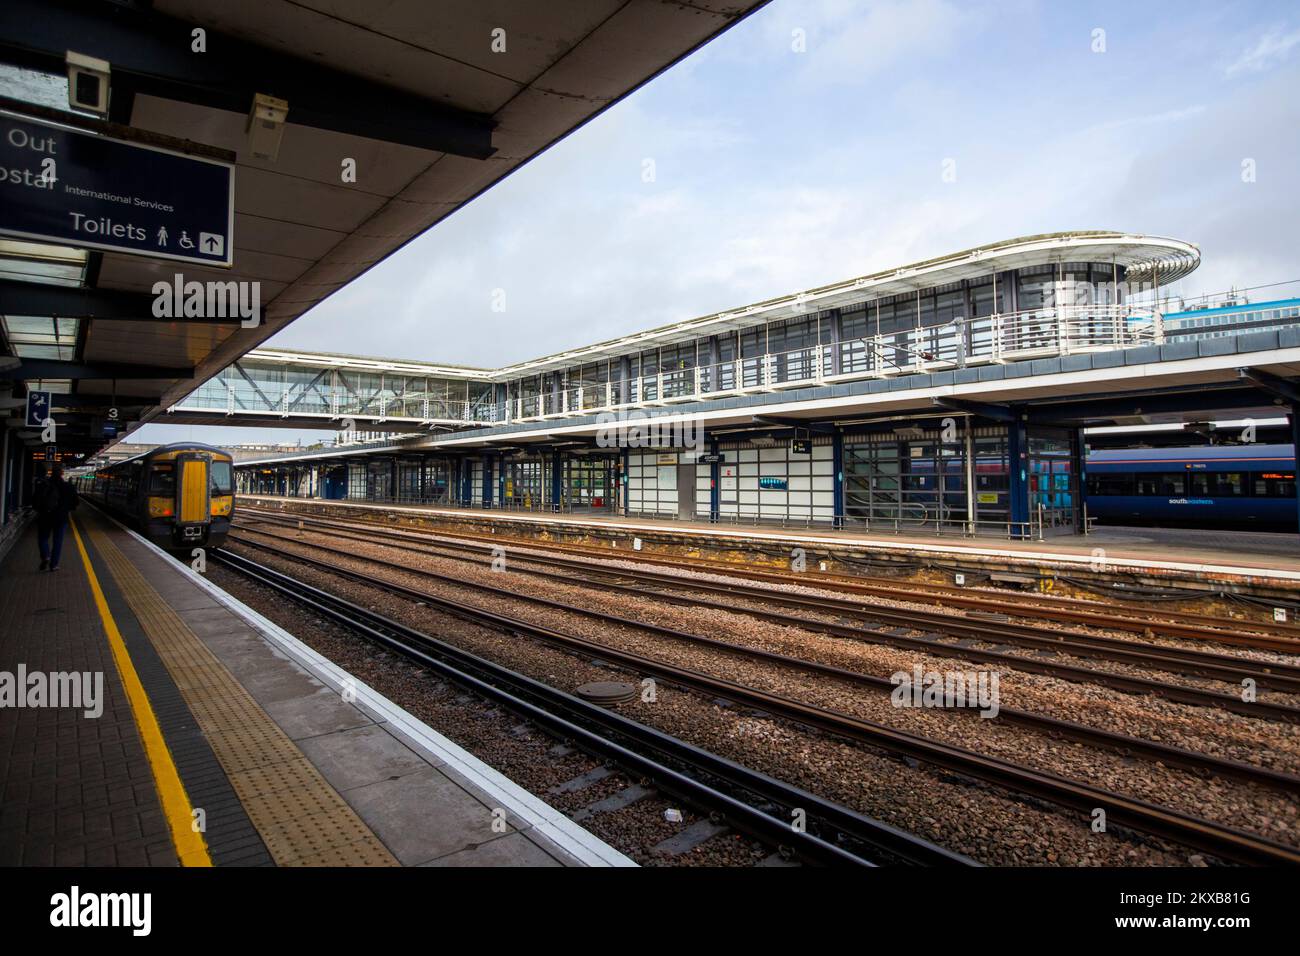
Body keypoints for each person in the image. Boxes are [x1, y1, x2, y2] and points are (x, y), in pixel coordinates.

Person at [33, 464, 78, 572]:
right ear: (62, 474)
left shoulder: (42, 485)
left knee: (42, 538)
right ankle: (54, 565)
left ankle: (46, 556)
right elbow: (75, 503)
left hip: (44, 517)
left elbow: (34, 501)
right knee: (58, 541)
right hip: (61, 518)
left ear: (51, 473)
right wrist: (66, 508)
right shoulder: (69, 487)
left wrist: (40, 510)